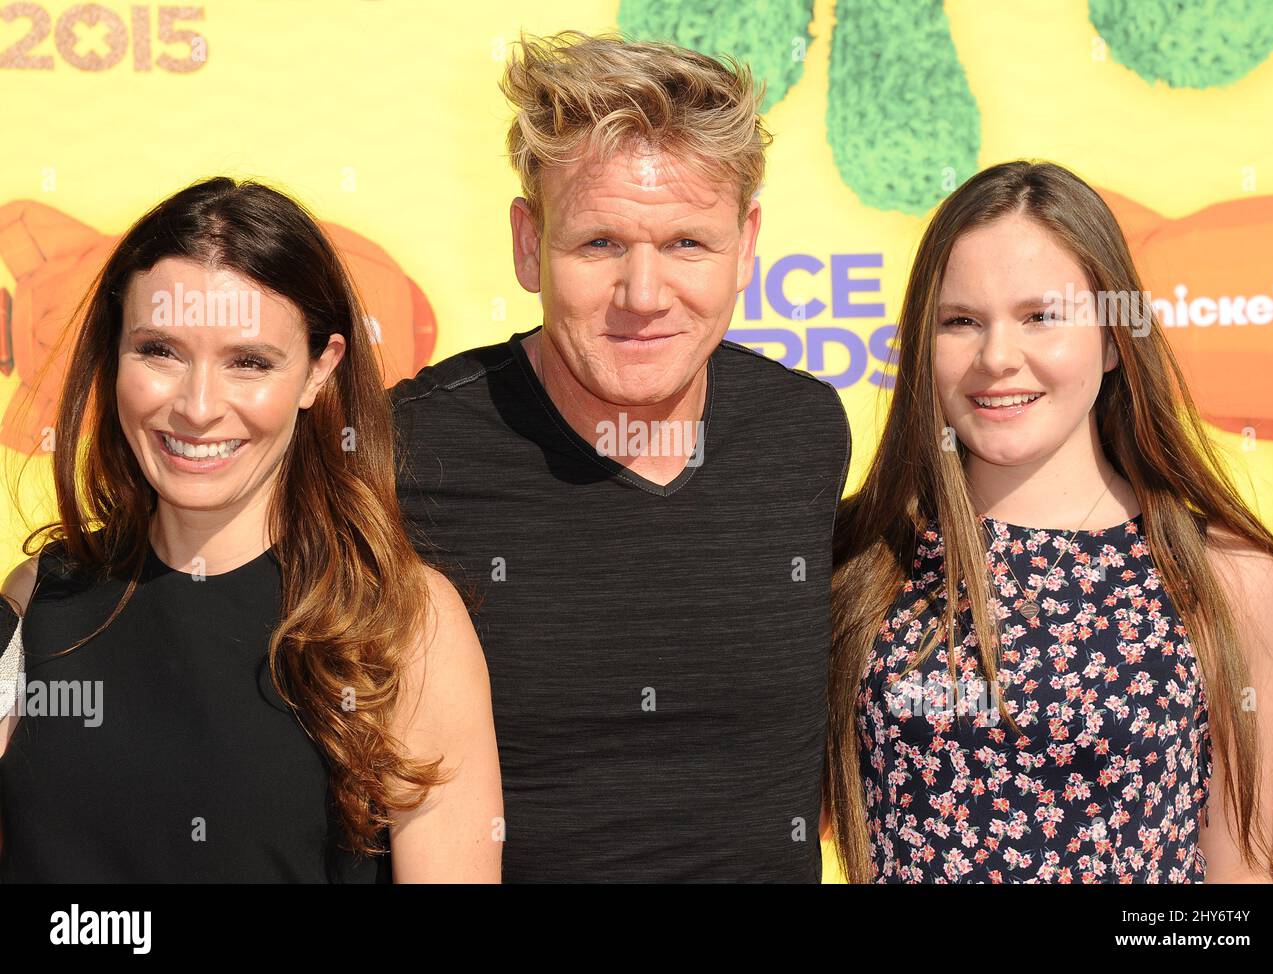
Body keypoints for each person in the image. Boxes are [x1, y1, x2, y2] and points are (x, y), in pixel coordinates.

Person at [392, 32, 850, 882]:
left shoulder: (803, 431)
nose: (643, 296)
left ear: (746, 245)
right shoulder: (407, 450)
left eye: (686, 244)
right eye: (599, 244)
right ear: (529, 244)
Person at [0, 178, 503, 883]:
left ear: (318, 372)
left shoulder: (403, 626)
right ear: (115, 353)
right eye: (161, 351)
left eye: (249, 363)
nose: (199, 406)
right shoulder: (36, 603)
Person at [824, 160, 1273, 883]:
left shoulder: (1230, 581)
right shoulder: (857, 562)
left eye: (1041, 317)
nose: (997, 358)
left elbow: (1244, 877)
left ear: (1113, 338)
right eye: (961, 322)